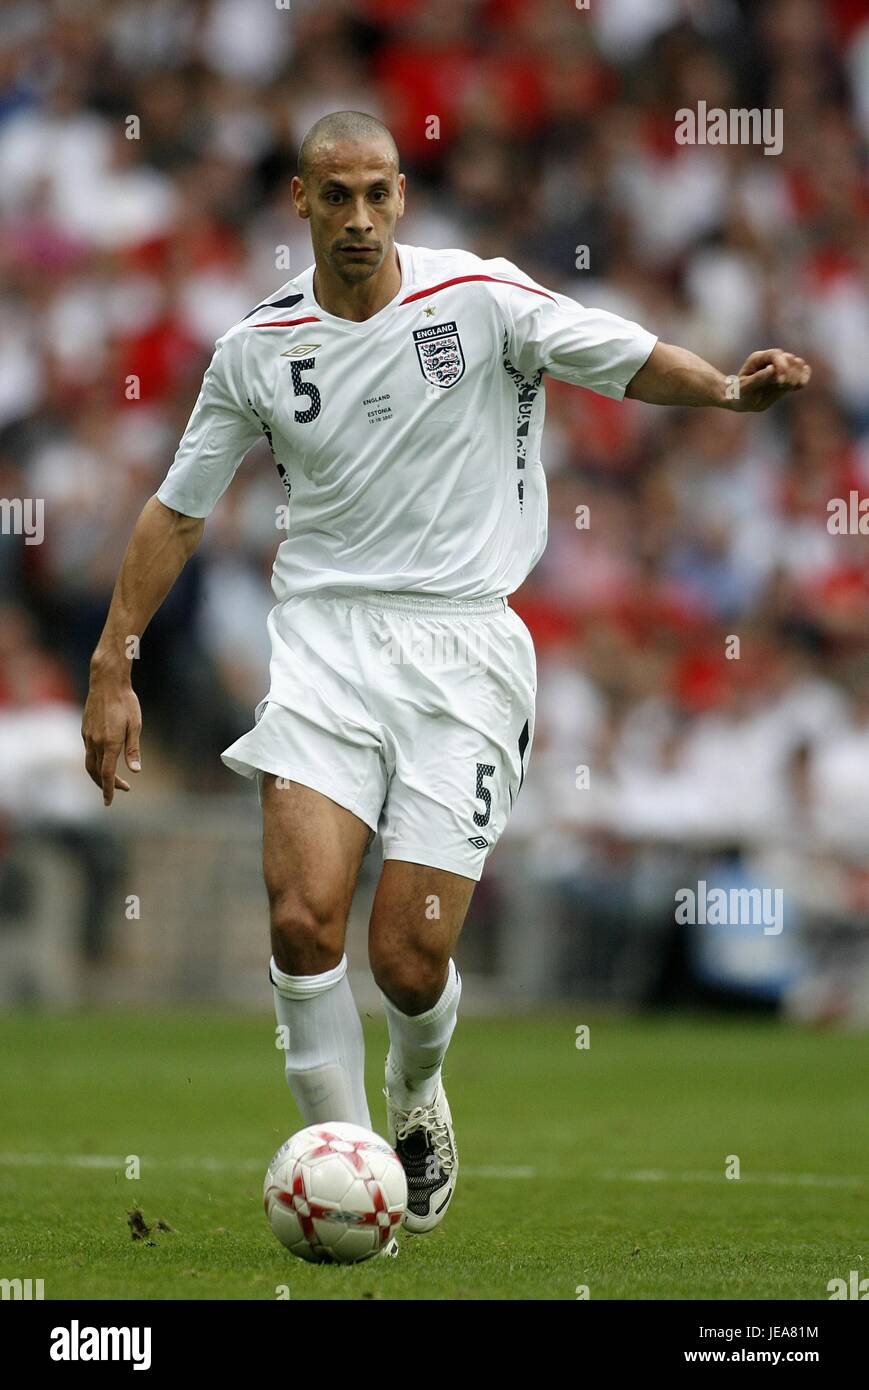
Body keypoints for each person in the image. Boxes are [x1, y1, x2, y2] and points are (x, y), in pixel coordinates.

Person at [81, 110, 811, 1247]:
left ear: (402, 197)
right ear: (301, 202)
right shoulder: (256, 348)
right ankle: (347, 1168)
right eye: (337, 197)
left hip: (464, 648)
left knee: (407, 956)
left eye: (379, 194)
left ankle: (415, 1091)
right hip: (323, 640)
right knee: (301, 918)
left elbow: (618, 353)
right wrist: (111, 660)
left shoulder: (475, 299)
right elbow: (178, 512)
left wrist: (722, 390)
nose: (360, 218)